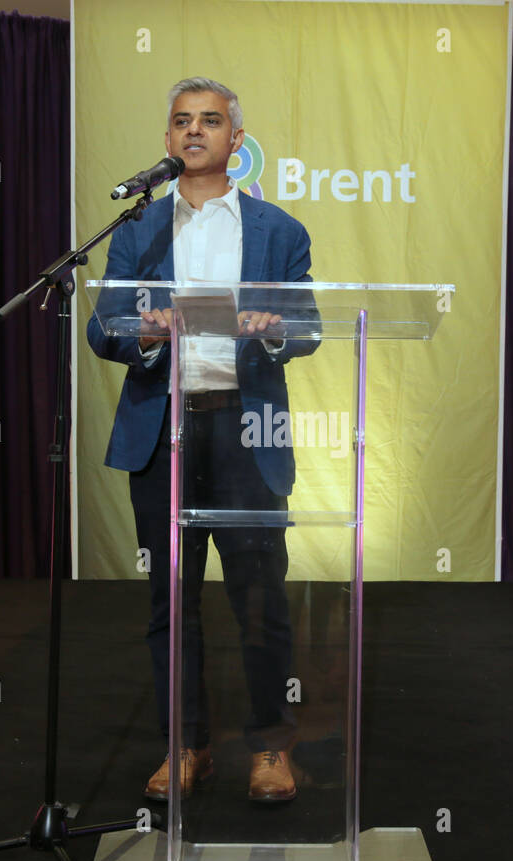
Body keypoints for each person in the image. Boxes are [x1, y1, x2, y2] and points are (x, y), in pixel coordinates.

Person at [86, 77, 319, 804]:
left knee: (260, 597)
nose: (194, 131)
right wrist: (145, 333)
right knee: (171, 600)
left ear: (235, 142)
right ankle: (186, 746)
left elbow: (308, 324)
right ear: (166, 141)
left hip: (246, 429)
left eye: (210, 121)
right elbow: (102, 328)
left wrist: (276, 328)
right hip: (167, 430)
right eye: (182, 122)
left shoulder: (279, 230)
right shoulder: (137, 230)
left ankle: (271, 749)